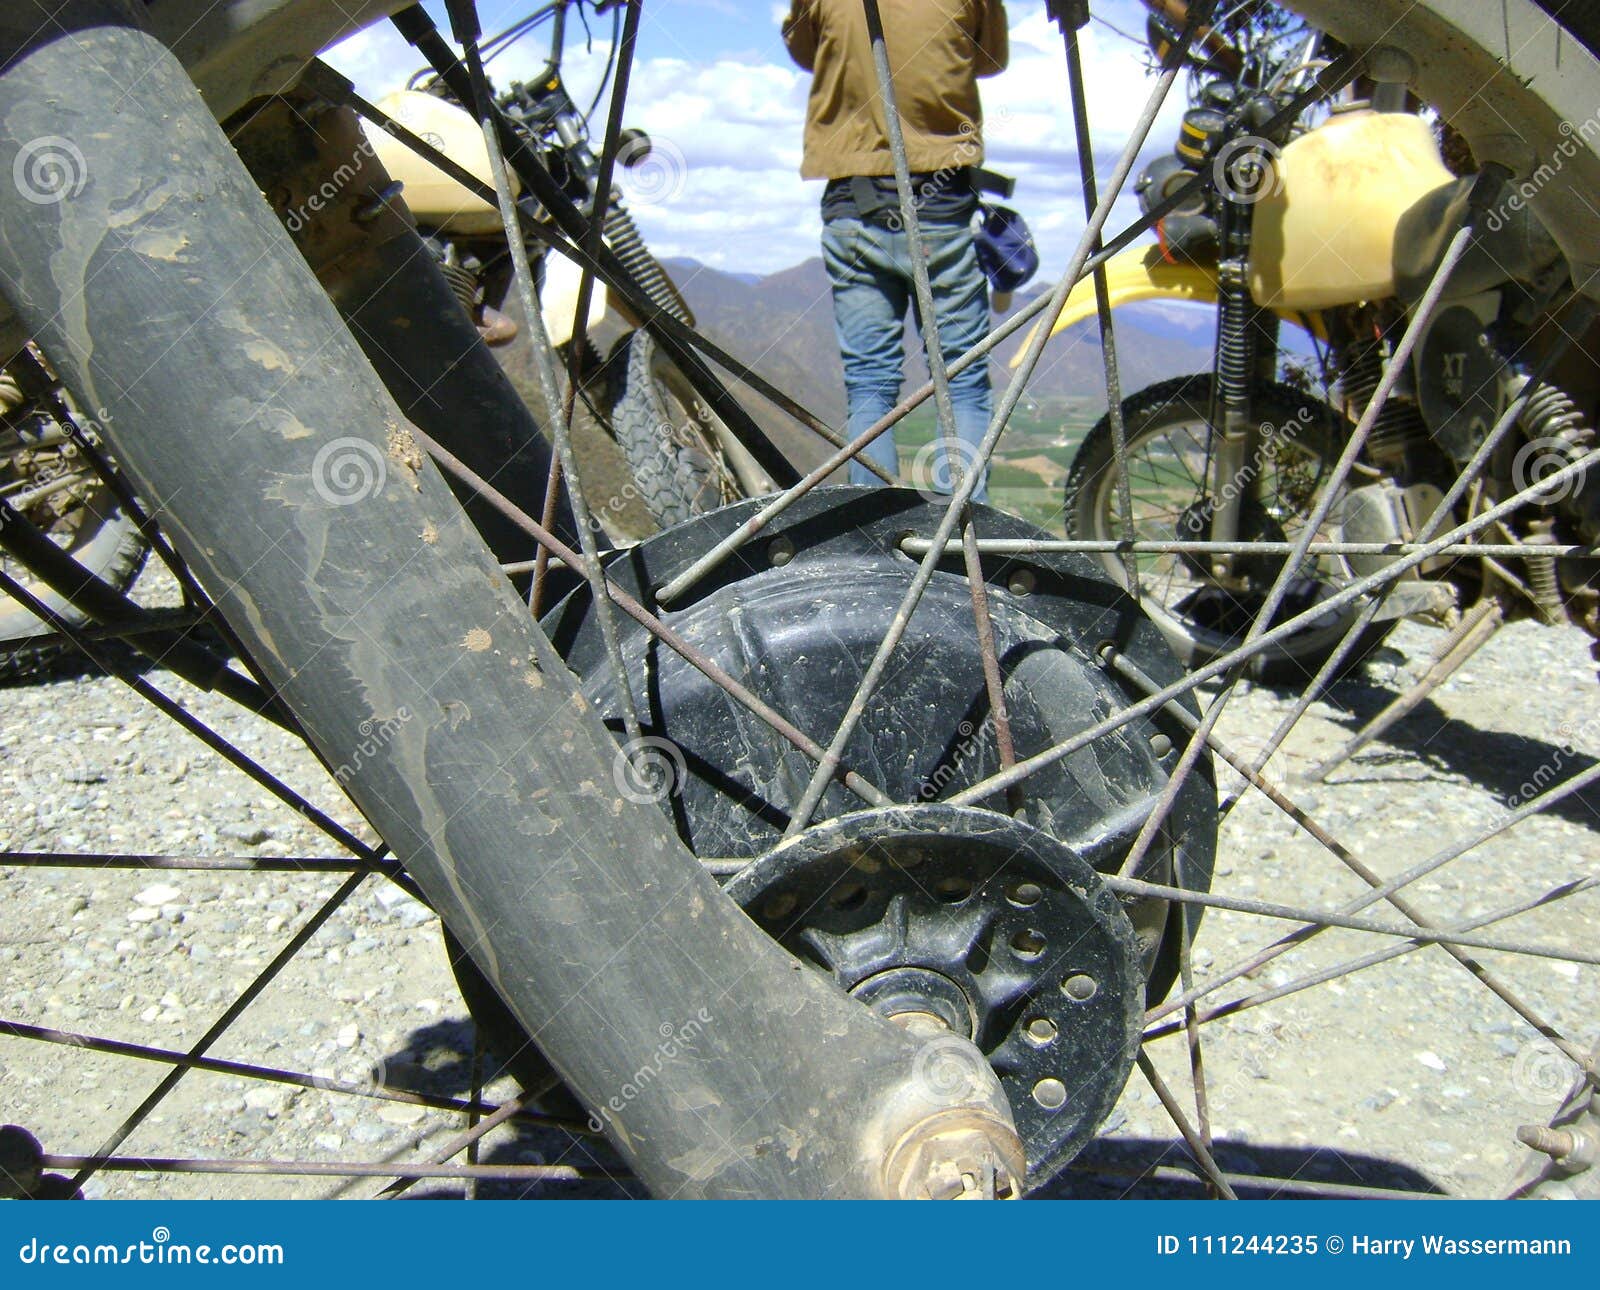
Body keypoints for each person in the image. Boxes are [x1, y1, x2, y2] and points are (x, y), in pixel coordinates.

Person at [783, 0, 1009, 500]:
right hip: (942, 205)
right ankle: (960, 538)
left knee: (870, 384)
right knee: (962, 382)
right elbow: (990, 59)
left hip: (852, 201)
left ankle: (873, 539)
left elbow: (803, 50)